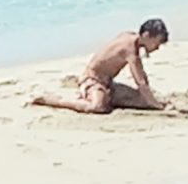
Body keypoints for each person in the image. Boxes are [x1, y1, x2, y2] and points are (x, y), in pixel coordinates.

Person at [30, 20, 169, 114]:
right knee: (98, 107)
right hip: (92, 80)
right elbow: (140, 81)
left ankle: (108, 96)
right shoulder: (130, 51)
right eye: (156, 43)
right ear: (146, 35)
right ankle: (51, 100)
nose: (157, 47)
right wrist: (156, 106)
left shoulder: (128, 35)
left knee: (141, 100)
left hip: (108, 82)